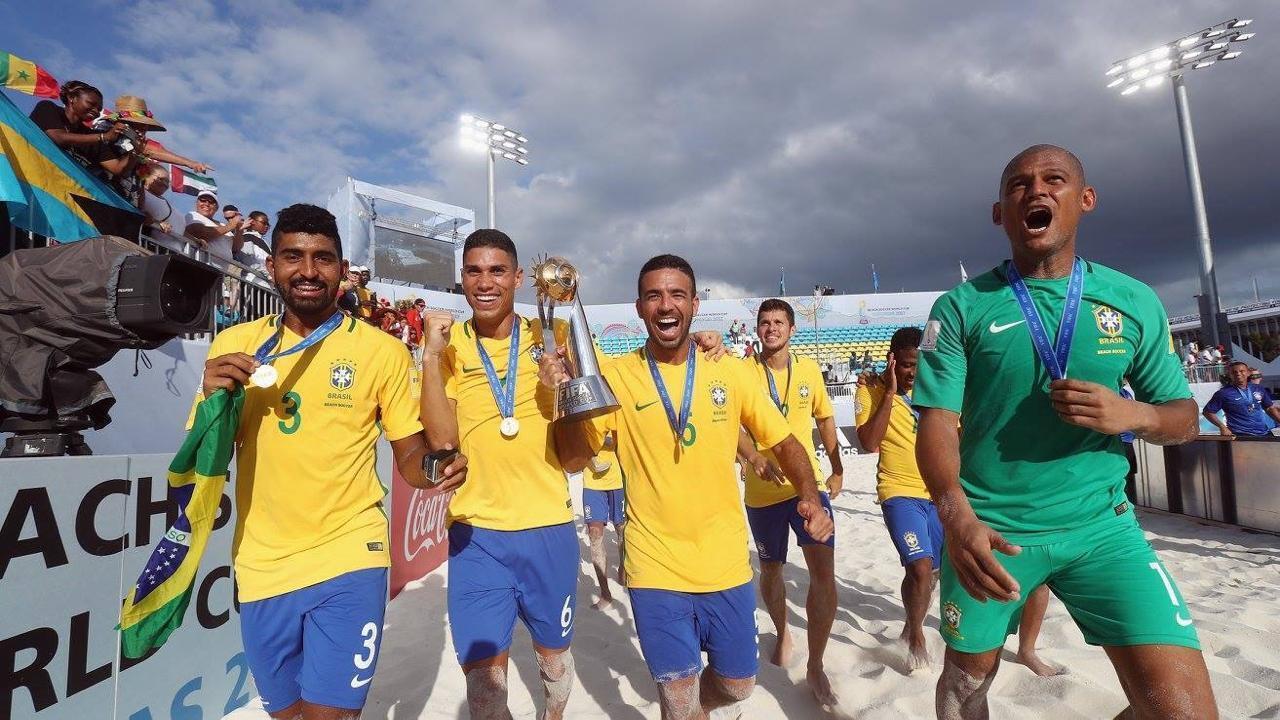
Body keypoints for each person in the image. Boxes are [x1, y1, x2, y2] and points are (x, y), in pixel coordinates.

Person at [915, 145, 1216, 719]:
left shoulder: (1132, 301)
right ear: (999, 212)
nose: (1036, 191)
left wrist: (1136, 416)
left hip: (1103, 529)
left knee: (1185, 712)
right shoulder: (959, 307)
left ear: (1085, 199)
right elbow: (936, 424)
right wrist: (955, 516)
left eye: (1054, 179)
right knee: (965, 688)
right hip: (993, 530)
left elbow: (1183, 418)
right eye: (1018, 184)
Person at [195, 203, 468, 720]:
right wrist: (213, 400)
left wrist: (436, 471)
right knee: (286, 713)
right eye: (293, 256)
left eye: (323, 258)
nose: (308, 270)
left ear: (343, 271)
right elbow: (208, 456)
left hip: (350, 554)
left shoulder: (381, 351)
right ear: (271, 265)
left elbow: (409, 453)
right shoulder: (233, 346)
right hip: (261, 564)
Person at [575, 255, 834, 720]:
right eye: (654, 295)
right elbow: (575, 456)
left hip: (725, 563)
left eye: (677, 294)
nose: (665, 304)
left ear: (695, 304)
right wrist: (568, 395)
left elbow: (786, 440)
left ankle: (698, 709)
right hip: (654, 564)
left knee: (737, 686)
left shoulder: (729, 371)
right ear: (639, 307)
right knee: (676, 697)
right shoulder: (615, 376)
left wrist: (810, 494)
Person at [418, 229, 587, 720]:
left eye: (497, 271)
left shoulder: (548, 338)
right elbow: (442, 441)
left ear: (518, 277)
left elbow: (576, 455)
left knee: (554, 667)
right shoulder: (448, 347)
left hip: (548, 531)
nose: (485, 282)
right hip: (477, 537)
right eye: (474, 271)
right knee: (485, 690)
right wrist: (429, 356)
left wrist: (567, 387)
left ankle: (552, 715)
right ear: (462, 279)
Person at [856, 327, 1059, 675]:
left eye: (919, 364)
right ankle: (916, 635)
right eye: (905, 365)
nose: (913, 373)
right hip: (898, 492)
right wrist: (889, 393)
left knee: (933, 573)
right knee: (920, 568)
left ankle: (914, 621)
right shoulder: (871, 390)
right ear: (892, 362)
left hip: (941, 494)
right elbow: (869, 443)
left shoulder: (943, 392)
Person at [736, 297, 843, 705]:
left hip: (806, 487)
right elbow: (732, 424)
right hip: (762, 493)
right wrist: (753, 456)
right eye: (764, 322)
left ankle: (816, 664)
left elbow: (825, 420)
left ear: (791, 329)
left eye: (779, 322)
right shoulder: (743, 371)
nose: (771, 328)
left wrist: (837, 466)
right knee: (771, 570)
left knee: (823, 572)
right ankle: (782, 631)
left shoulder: (810, 370)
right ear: (757, 329)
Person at [28, 80, 129, 178]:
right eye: (91, 104)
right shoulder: (47, 107)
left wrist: (137, 153)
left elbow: (118, 169)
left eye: (99, 109)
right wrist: (104, 137)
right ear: (72, 98)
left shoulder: (90, 135)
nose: (96, 112)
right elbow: (58, 137)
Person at [582, 430, 626, 610]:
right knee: (594, 534)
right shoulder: (577, 408)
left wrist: (609, 440)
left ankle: (623, 567)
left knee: (622, 529)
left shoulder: (616, 406)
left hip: (617, 478)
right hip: (591, 481)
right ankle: (605, 593)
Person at [1202, 361, 1280, 438]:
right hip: (1240, 435)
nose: (1238, 374)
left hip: (1263, 432)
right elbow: (1207, 412)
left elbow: (1269, 408)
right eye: (1234, 372)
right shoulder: (1223, 393)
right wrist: (1222, 427)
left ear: (1248, 373)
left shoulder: (1258, 388)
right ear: (1230, 375)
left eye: (1242, 371)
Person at [184, 190, 244, 261]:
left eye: (211, 202)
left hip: (222, 270)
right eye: (203, 200)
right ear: (196, 203)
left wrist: (239, 229)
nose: (207, 204)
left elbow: (235, 248)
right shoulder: (193, 215)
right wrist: (231, 225)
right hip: (200, 264)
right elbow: (199, 233)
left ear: (217, 208)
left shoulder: (222, 225)